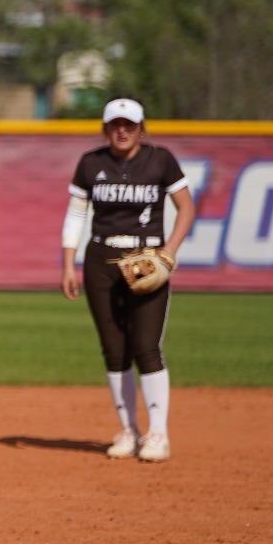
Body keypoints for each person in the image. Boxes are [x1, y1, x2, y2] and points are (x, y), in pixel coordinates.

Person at [60, 98, 195, 462]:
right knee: (114, 348)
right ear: (106, 128)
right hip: (101, 259)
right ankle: (128, 431)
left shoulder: (160, 159)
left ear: (141, 127)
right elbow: (76, 214)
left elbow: (187, 206)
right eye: (115, 124)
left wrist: (169, 251)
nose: (122, 130)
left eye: (130, 124)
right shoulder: (92, 163)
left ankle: (158, 435)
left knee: (146, 345)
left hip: (146, 258)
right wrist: (68, 264)